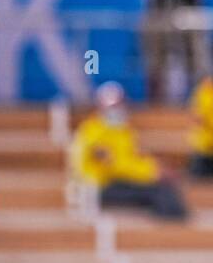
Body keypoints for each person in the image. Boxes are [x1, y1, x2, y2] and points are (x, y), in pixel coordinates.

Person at [69, 82, 187, 219]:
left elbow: (131, 159)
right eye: (115, 105)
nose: (119, 109)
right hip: (100, 186)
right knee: (158, 191)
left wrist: (154, 167)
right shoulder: (92, 132)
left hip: (116, 181)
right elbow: (116, 166)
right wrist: (153, 172)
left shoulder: (123, 131)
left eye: (121, 104)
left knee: (163, 188)